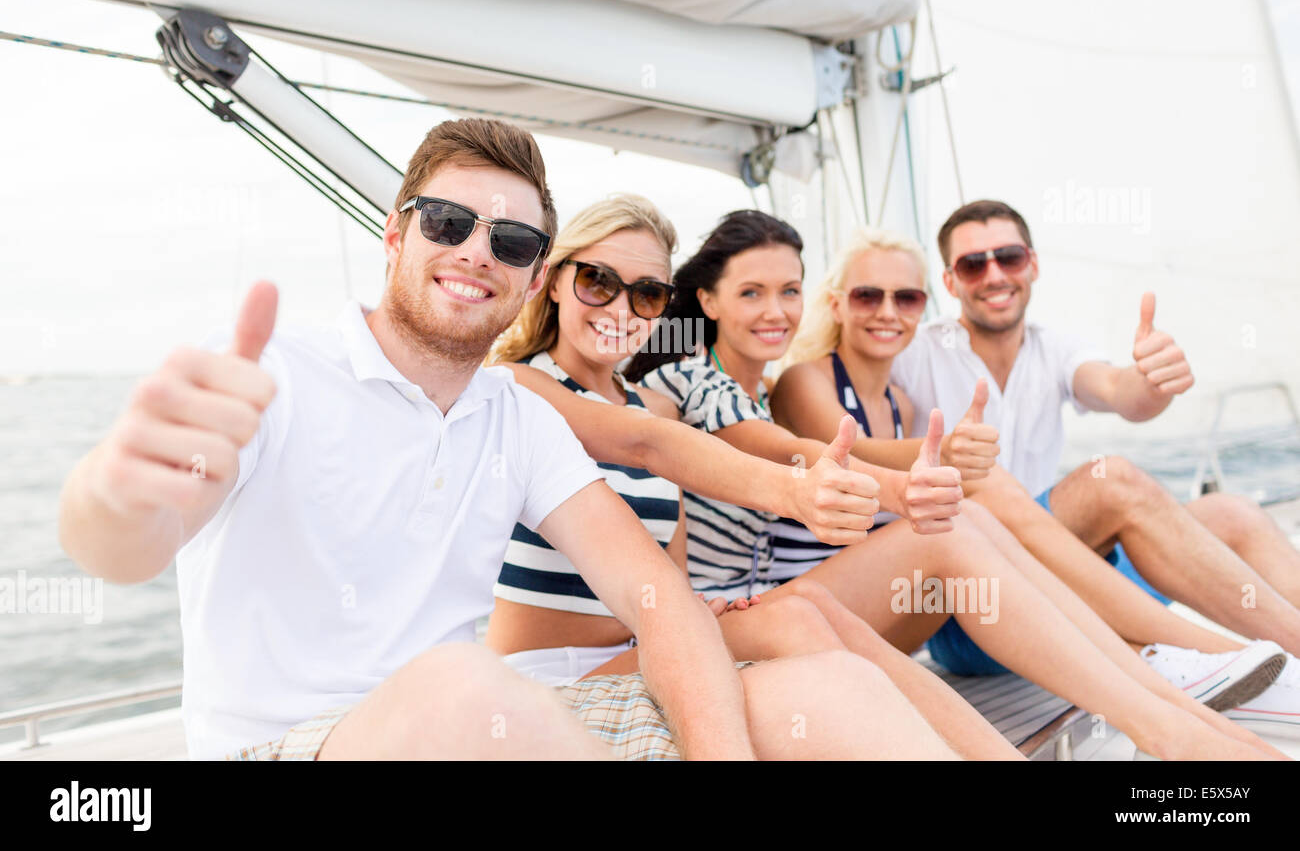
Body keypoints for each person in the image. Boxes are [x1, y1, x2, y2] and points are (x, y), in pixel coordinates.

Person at [55, 118, 923, 762]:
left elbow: (657, 595)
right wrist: (115, 487)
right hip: (293, 748)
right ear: (395, 234)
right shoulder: (274, 370)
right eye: (446, 222)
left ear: (531, 277)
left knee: (827, 691)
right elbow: (125, 545)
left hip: (481, 727)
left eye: (510, 240)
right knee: (457, 685)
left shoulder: (517, 416)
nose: (477, 251)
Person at [617, 210, 1282, 760]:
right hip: (770, 612)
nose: (776, 310)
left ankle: (1171, 678)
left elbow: (1117, 392)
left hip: (824, 603)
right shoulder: (702, 381)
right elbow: (792, 452)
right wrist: (924, 472)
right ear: (705, 300)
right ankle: (1171, 683)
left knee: (1210, 510)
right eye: (751, 292)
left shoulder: (767, 389)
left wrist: (1146, 386)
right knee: (974, 505)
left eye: (788, 290)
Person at [487, 193, 1025, 759]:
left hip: (646, 656)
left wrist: (701, 610)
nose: (621, 309)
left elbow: (669, 572)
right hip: (546, 680)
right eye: (598, 282)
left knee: (805, 610)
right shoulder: (519, 388)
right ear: (550, 281)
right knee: (795, 620)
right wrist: (823, 491)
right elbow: (646, 445)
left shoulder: (655, 405)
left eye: (646, 294)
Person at [771, 229, 1291, 722]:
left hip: (1027, 573)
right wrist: (945, 451)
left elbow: (1118, 391)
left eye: (906, 299)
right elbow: (851, 452)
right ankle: (1189, 649)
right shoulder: (811, 380)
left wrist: (1154, 383)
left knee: (1230, 512)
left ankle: (1246, 651)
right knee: (1027, 486)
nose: (888, 312)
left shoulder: (903, 397)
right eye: (867, 296)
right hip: (940, 607)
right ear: (836, 302)